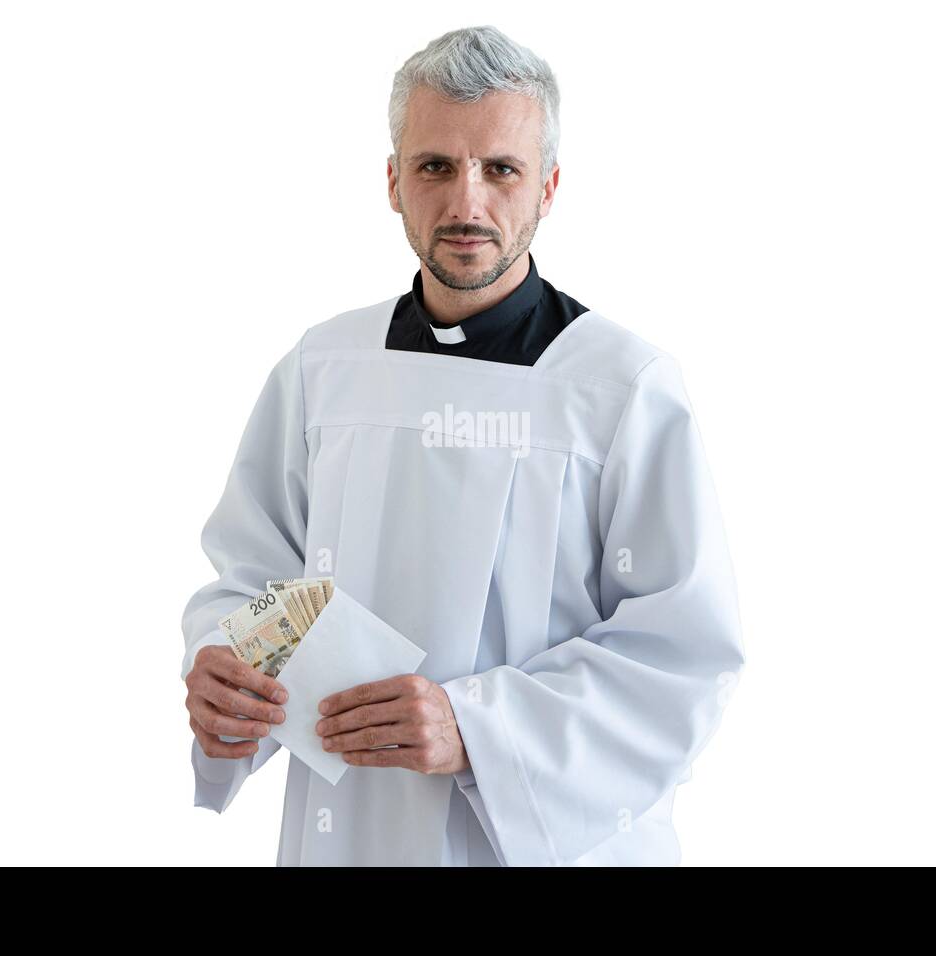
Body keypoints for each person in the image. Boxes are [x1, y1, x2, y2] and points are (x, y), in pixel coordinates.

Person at [181, 24, 745, 866]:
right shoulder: (324, 368)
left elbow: (683, 657)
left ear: (549, 186)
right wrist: (224, 663)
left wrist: (474, 728)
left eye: (501, 169)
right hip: (351, 830)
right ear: (392, 181)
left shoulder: (621, 388)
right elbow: (255, 581)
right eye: (435, 166)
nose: (466, 203)